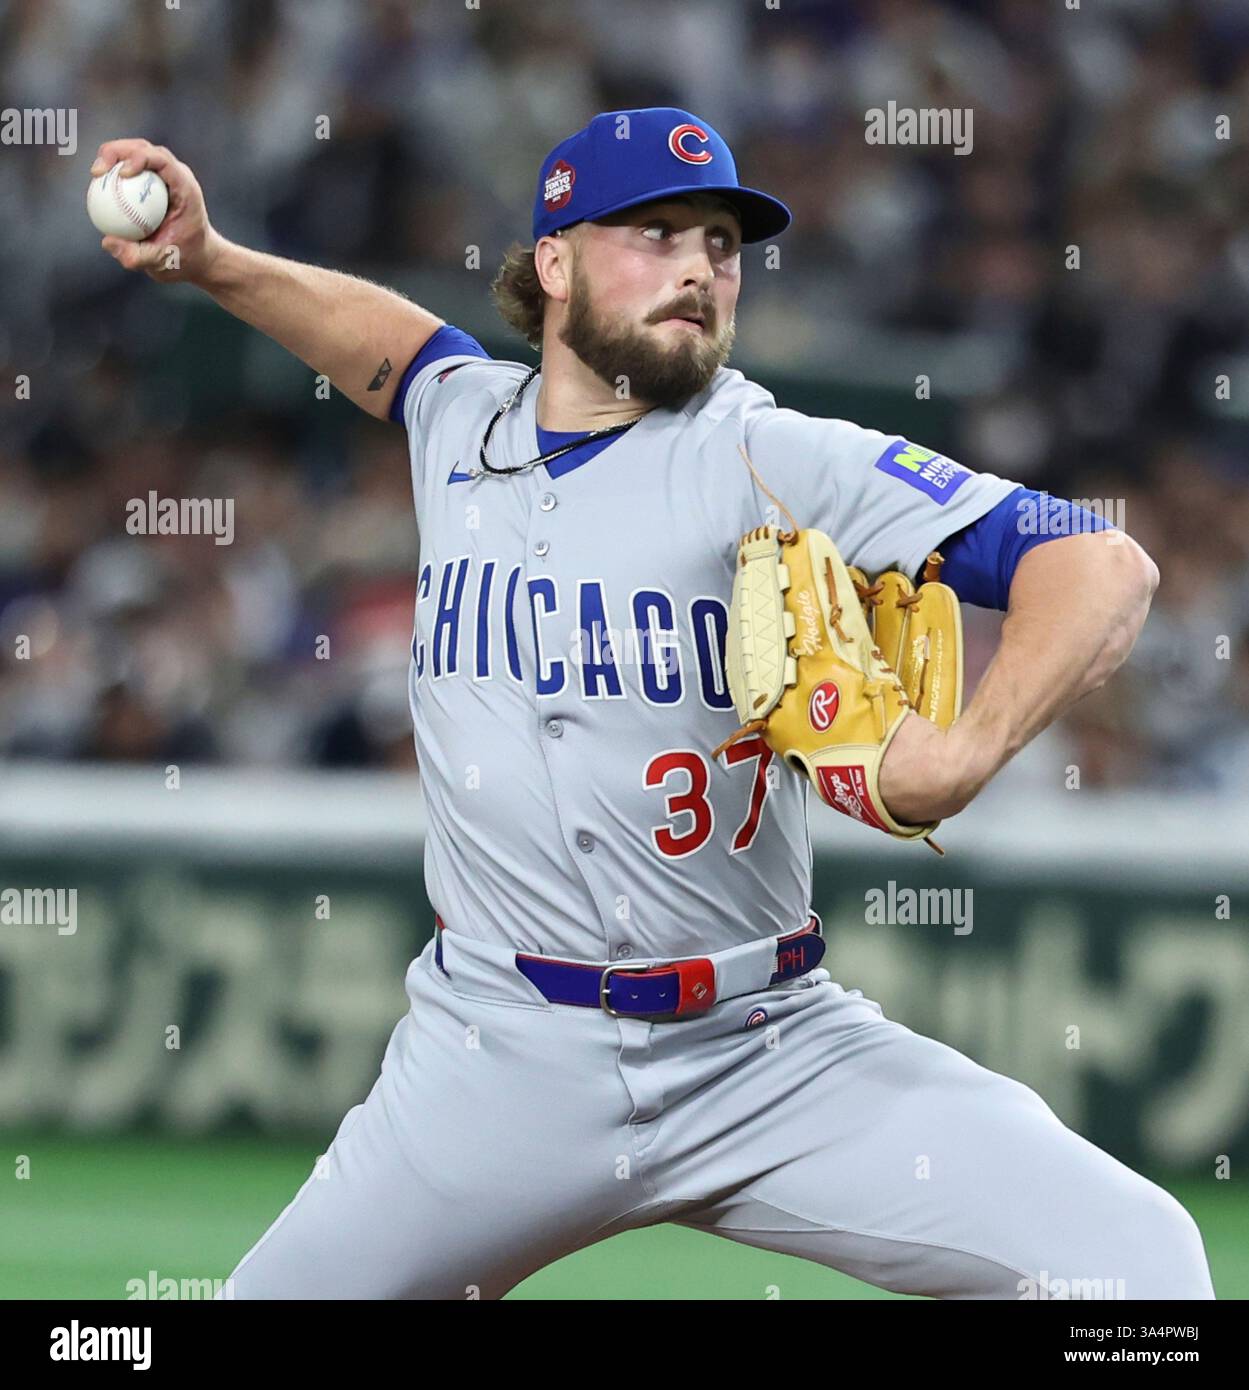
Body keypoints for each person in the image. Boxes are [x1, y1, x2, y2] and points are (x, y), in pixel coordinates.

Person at [93, 108, 1213, 1300]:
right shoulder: (459, 421)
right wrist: (214, 261)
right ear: (557, 263)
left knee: (1138, 1263)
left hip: (765, 1048)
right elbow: (389, 344)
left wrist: (961, 753)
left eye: (723, 244)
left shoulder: (772, 454)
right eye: (657, 233)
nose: (699, 267)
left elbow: (1102, 566)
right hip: (493, 1057)